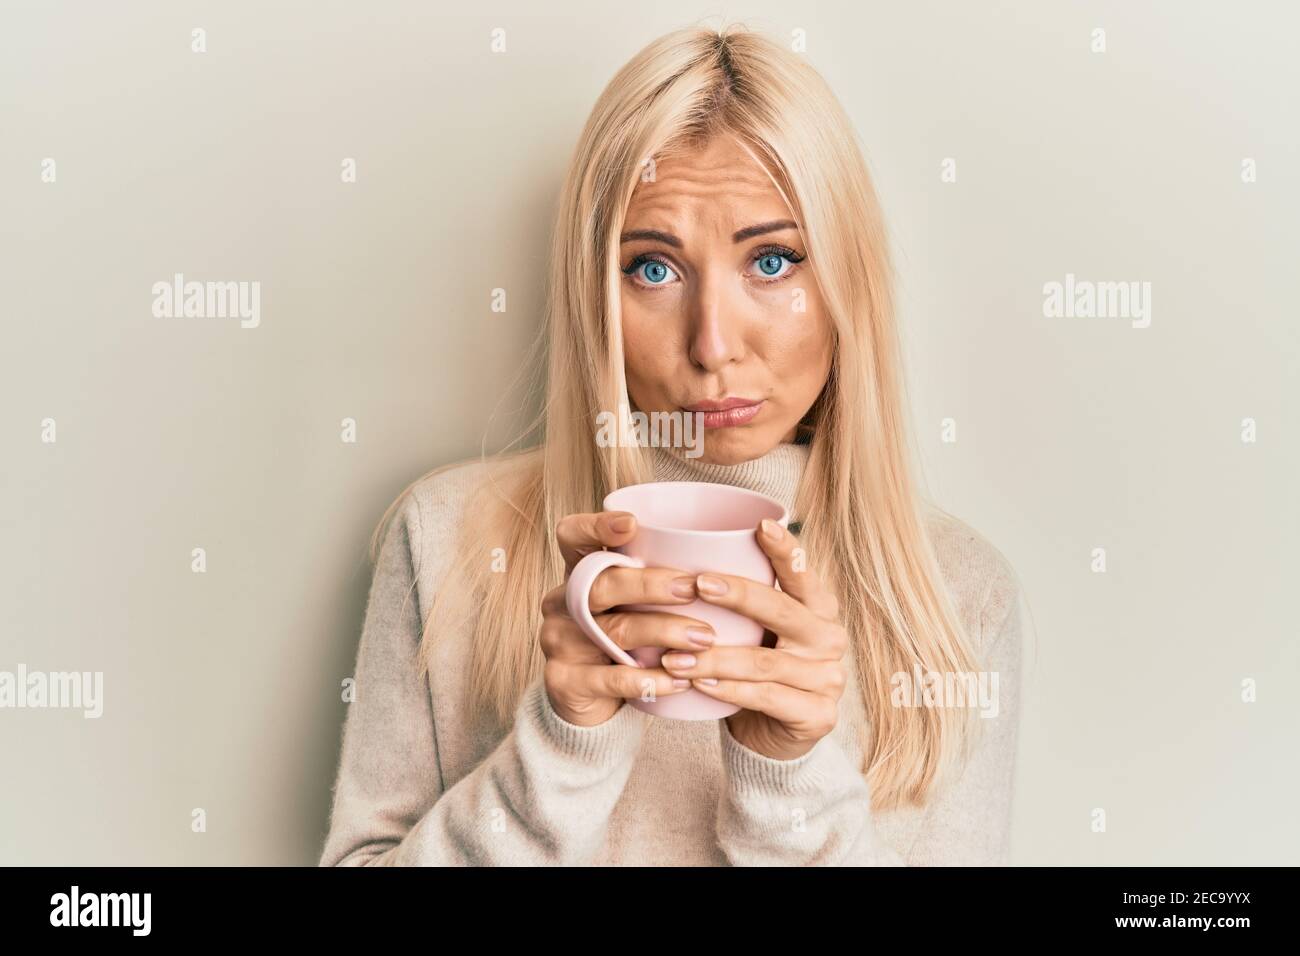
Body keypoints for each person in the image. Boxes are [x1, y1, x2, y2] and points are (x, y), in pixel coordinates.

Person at [319, 24, 1024, 867]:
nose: (713, 343)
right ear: (594, 297)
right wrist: (559, 752)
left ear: (847, 285)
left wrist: (793, 780)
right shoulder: (446, 541)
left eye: (772, 261)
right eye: (654, 268)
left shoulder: (957, 598)